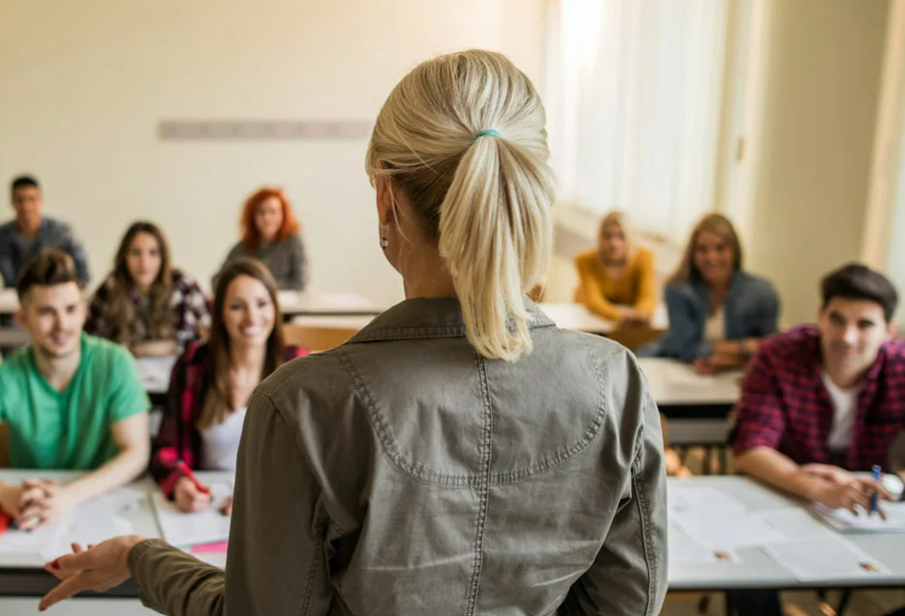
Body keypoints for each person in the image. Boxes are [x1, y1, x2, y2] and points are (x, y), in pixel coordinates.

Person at [39, 49, 667, 616]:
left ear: (385, 199)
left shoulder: (302, 404)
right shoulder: (618, 385)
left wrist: (142, 559)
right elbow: (628, 604)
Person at [729, 264, 905, 616]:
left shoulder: (900, 366)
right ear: (820, 317)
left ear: (889, 331)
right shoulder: (779, 355)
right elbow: (751, 449)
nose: (847, 336)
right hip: (783, 489)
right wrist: (814, 486)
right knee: (745, 575)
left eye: (864, 324)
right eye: (837, 319)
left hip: (868, 505)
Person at [0, 249, 149, 531]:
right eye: (46, 312)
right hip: (30, 509)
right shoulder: (2, 377)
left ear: (84, 311)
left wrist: (70, 495)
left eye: (71, 309)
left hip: (100, 504)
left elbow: (136, 453)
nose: (62, 325)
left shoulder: (115, 363)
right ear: (23, 319)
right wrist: (6, 494)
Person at [150, 258, 308, 514]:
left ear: (275, 309)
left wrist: (264, 494)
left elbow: (315, 461)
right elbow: (166, 448)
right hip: (207, 506)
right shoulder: (193, 365)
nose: (252, 318)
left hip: (276, 509)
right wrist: (179, 482)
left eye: (262, 304)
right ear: (220, 313)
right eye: (237, 306)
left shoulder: (300, 366)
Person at [644, 213, 780, 374]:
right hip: (671, 366)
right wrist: (743, 348)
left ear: (734, 251)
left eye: (720, 248)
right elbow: (684, 348)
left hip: (732, 377)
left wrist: (726, 361)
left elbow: (769, 351)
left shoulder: (762, 294)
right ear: (693, 255)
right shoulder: (678, 289)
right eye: (702, 249)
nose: (712, 257)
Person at [85, 222, 210, 357]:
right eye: (135, 253)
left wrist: (154, 348)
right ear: (124, 256)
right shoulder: (111, 288)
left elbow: (205, 334)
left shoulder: (183, 286)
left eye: (153, 253)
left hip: (177, 369)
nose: (144, 262)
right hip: (127, 369)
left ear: (163, 257)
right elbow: (92, 340)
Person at [0, 175, 90, 288]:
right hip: (11, 304)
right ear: (12, 202)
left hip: (51, 298)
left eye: (31, 199)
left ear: (40, 200)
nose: (26, 206)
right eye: (20, 200)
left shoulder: (61, 233)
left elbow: (83, 274)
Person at [217, 187, 308, 291]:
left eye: (273, 212)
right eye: (261, 212)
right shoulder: (242, 248)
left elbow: (300, 282)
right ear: (252, 217)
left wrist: (260, 286)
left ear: (283, 214)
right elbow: (218, 280)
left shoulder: (293, 243)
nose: (267, 218)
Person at [574, 211, 658, 324]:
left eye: (620, 236)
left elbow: (648, 297)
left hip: (627, 326)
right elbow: (594, 301)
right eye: (607, 237)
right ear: (600, 238)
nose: (614, 243)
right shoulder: (585, 260)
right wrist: (620, 316)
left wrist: (641, 313)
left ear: (629, 238)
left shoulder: (645, 257)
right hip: (593, 321)